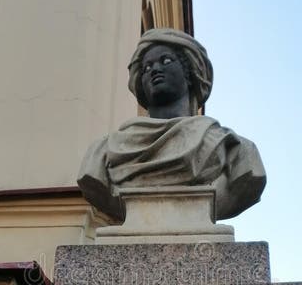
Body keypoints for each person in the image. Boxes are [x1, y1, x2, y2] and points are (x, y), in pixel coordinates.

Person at [77, 28, 265, 221]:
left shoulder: (233, 148)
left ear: (190, 74)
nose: (155, 69)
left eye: (166, 61)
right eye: (146, 68)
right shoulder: (103, 153)